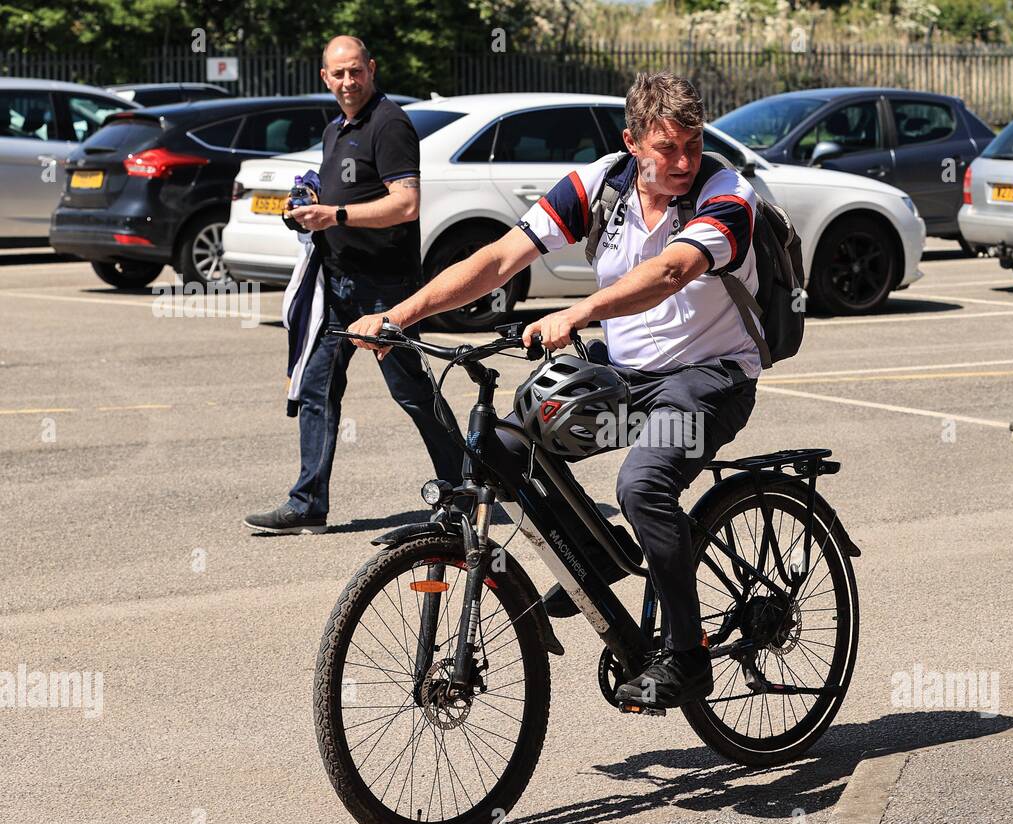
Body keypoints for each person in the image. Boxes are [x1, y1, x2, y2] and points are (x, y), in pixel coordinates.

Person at [347, 71, 760, 707]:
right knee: (509, 447)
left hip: (709, 379)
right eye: (666, 148)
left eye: (693, 145)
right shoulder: (601, 186)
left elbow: (673, 270)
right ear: (631, 141)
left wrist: (577, 313)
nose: (683, 162)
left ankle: (687, 655)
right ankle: (600, 554)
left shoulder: (726, 192)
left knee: (644, 485)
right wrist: (402, 315)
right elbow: (498, 259)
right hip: (628, 376)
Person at [244, 35, 461, 534]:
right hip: (338, 286)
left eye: (355, 71)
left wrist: (336, 212)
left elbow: (405, 204)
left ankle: (462, 489)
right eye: (337, 73)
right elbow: (342, 192)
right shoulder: (335, 130)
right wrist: (308, 209)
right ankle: (308, 504)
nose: (347, 81)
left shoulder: (390, 124)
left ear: (371, 68)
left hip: (386, 289)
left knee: (412, 393)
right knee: (318, 389)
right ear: (325, 77)